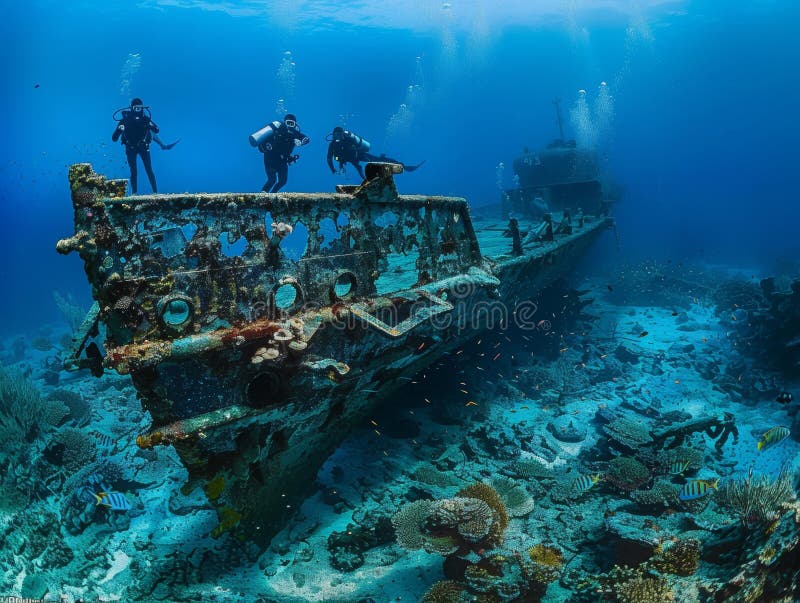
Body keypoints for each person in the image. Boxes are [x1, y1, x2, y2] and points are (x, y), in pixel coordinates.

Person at [111, 98, 178, 194]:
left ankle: (155, 193)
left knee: (149, 169)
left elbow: (157, 130)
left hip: (143, 147)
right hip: (130, 148)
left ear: (142, 108)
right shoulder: (125, 121)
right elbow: (114, 139)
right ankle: (134, 194)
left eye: (139, 108)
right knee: (133, 171)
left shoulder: (145, 119)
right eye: (135, 108)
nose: (138, 110)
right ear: (131, 108)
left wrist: (150, 125)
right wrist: (119, 130)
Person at [326, 126, 424, 179]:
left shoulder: (349, 140)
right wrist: (333, 170)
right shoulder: (332, 145)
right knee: (362, 171)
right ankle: (369, 177)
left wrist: (355, 157)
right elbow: (329, 158)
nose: (337, 137)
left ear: (343, 134)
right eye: (336, 135)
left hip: (359, 156)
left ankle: (402, 166)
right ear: (333, 135)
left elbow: (356, 148)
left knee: (378, 160)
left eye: (339, 134)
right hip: (346, 159)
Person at [251, 114, 310, 193]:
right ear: (284, 123)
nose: (290, 126)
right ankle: (263, 196)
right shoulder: (278, 130)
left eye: (292, 123)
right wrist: (267, 146)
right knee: (272, 179)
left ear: (295, 124)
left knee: (283, 181)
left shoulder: (295, 133)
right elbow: (263, 144)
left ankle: (273, 195)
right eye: (288, 123)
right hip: (270, 158)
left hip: (283, 160)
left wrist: (301, 142)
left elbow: (306, 139)